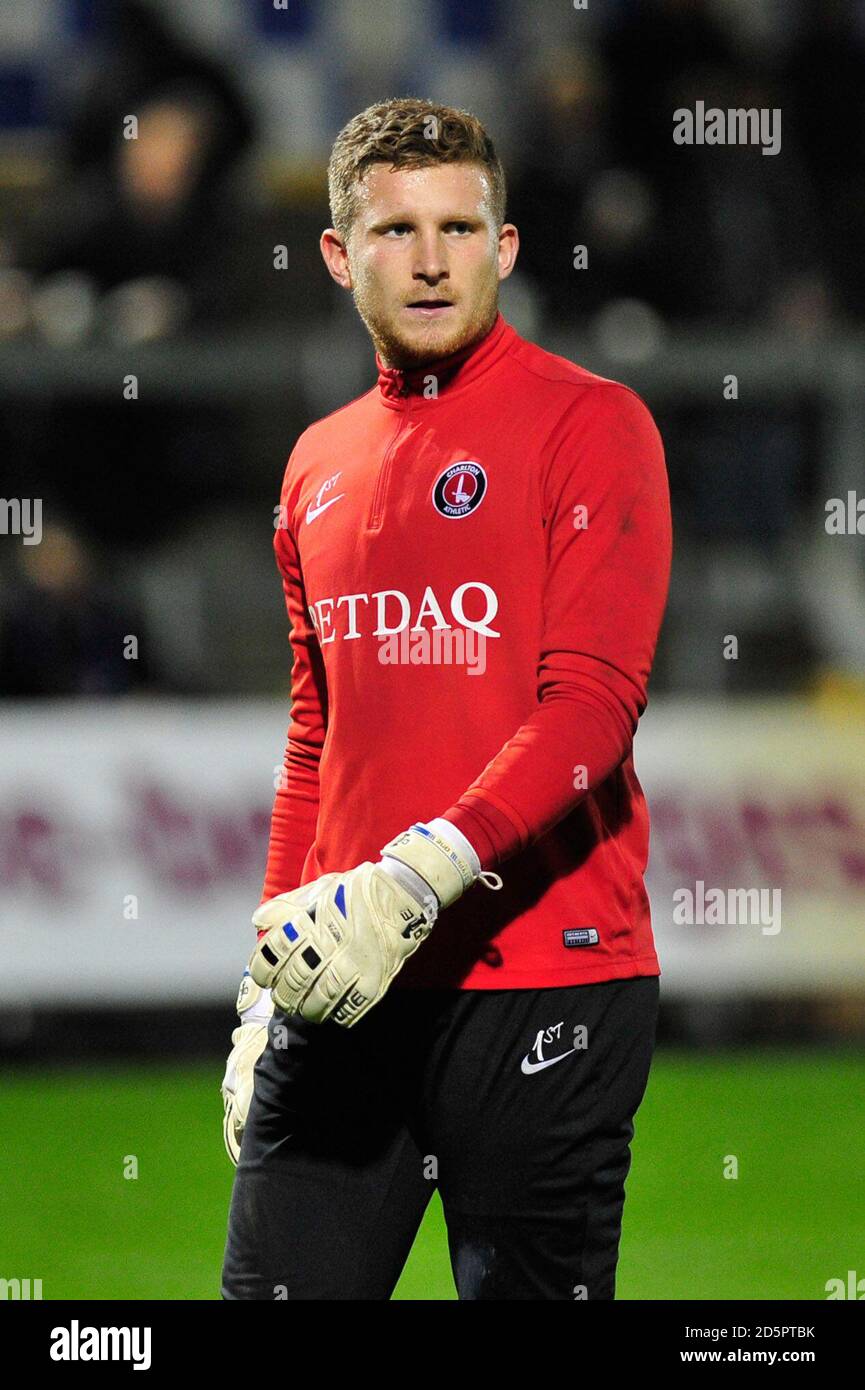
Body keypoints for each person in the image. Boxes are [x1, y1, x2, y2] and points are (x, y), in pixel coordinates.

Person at [220, 97, 672, 1301]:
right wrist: (264, 983)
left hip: (548, 975)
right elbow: (316, 737)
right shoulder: (315, 459)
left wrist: (420, 874)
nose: (430, 259)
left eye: (460, 228)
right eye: (396, 230)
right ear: (338, 255)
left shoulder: (592, 424)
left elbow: (590, 709)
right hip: (348, 981)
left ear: (506, 248)